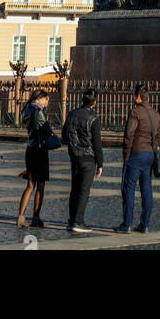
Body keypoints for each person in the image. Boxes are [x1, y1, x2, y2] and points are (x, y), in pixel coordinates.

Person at [115, 84, 160, 234]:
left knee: (128, 188)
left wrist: (126, 154)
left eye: (133, 96)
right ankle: (145, 224)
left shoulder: (135, 112)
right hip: (149, 154)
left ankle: (127, 224)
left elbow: (129, 135)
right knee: (146, 190)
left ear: (137, 97)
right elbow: (159, 137)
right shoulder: (156, 114)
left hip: (136, 154)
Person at [61, 89, 103, 234]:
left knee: (75, 189)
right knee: (84, 190)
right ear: (94, 102)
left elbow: (64, 134)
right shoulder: (94, 118)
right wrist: (100, 163)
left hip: (74, 156)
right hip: (88, 157)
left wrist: (73, 145)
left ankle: (71, 220)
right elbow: (97, 143)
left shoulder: (72, 114)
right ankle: (78, 222)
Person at [17, 89, 51, 228]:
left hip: (30, 149)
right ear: (39, 98)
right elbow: (45, 130)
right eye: (46, 100)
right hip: (39, 150)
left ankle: (21, 216)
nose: (47, 103)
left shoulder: (27, 110)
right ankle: (36, 217)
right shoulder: (38, 111)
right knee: (40, 186)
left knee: (30, 185)